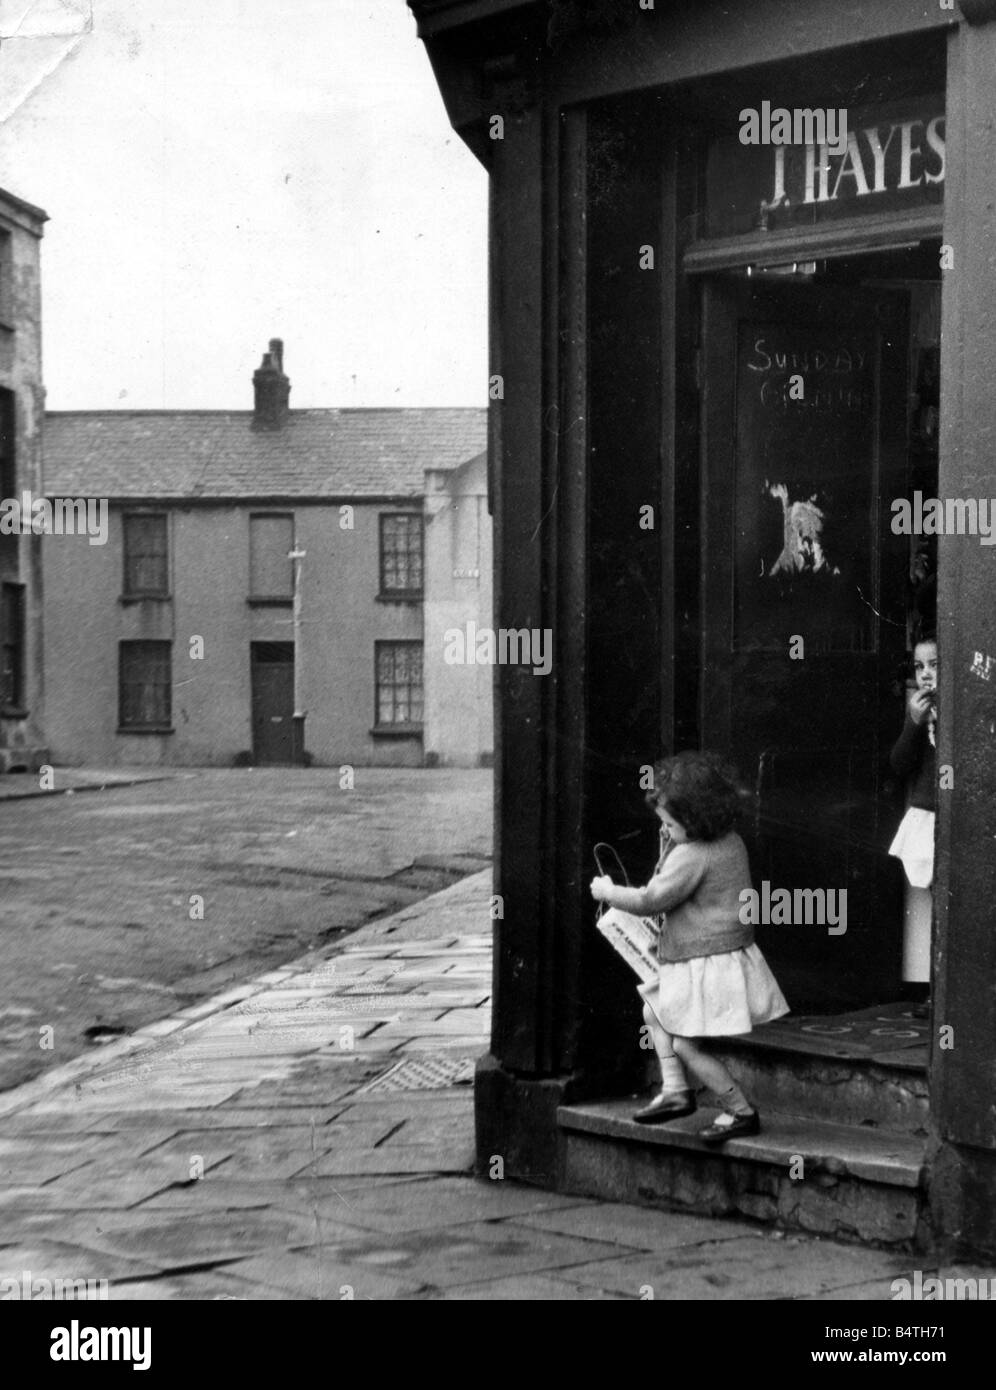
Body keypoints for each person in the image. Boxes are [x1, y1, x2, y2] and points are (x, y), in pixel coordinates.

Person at [590, 752, 789, 1145]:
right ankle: (676, 1091)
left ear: (694, 820)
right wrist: (672, 841)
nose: (665, 829)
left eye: (669, 823)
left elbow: (652, 897)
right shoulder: (729, 842)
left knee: (685, 1043)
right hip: (719, 956)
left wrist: (609, 892)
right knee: (654, 1009)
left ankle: (741, 1111)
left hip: (703, 960)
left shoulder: (691, 854)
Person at [888, 634, 938, 1013]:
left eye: (934, 665)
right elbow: (900, 764)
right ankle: (937, 990)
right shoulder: (919, 711)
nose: (925, 675)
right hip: (928, 815)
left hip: (953, 814)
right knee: (936, 904)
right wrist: (913, 724)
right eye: (919, 667)